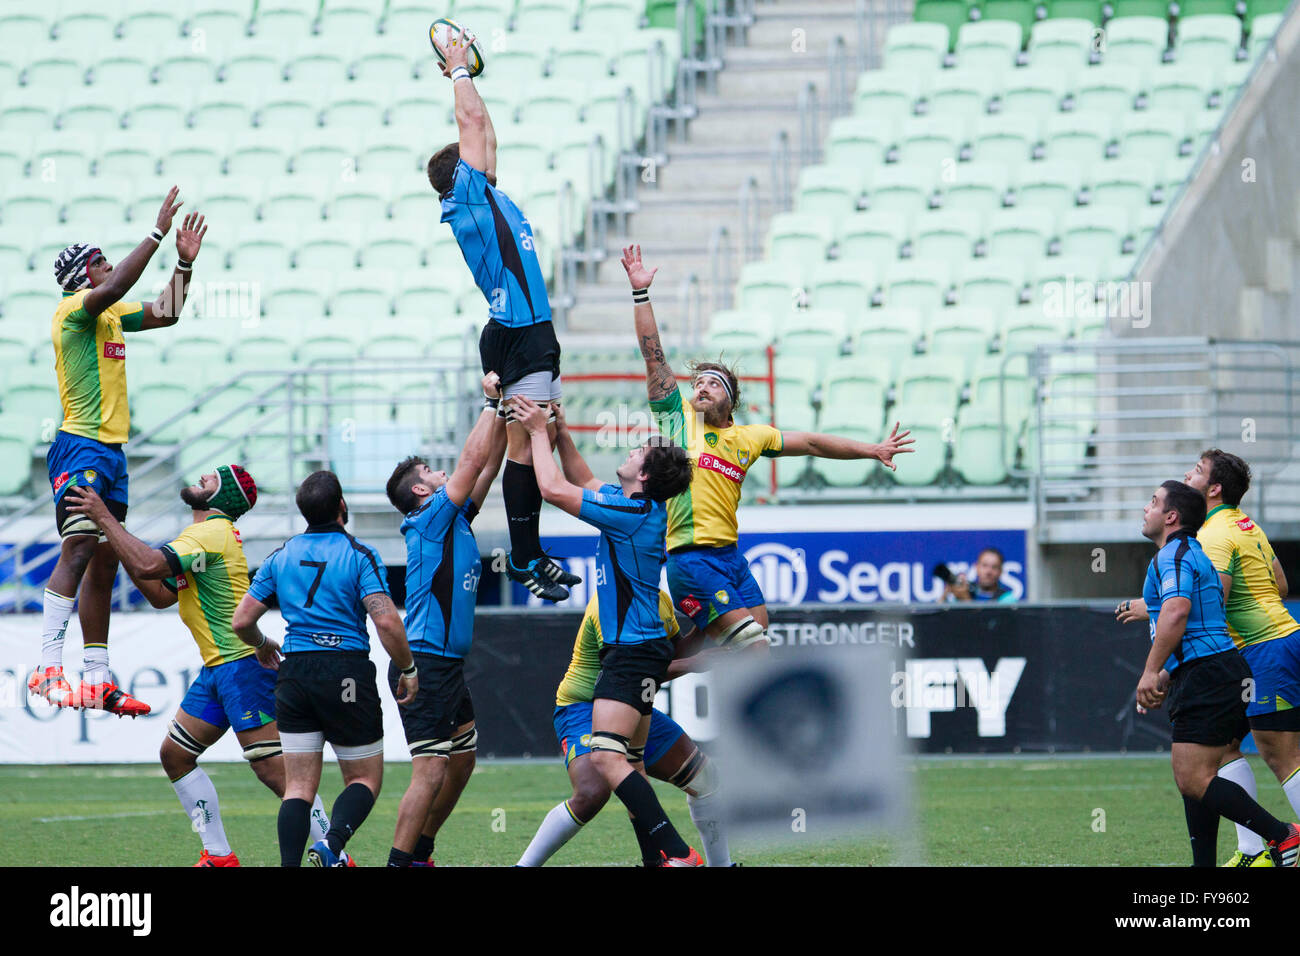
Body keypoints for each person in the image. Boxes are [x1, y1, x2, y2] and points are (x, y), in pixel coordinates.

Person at [621, 245, 914, 648]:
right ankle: (647, 672)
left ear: (730, 402)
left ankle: (654, 671)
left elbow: (811, 442)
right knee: (754, 646)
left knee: (751, 629)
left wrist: (872, 450)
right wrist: (641, 294)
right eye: (698, 383)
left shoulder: (749, 437)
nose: (701, 387)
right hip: (691, 558)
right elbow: (653, 356)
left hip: (730, 557)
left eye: (713, 383)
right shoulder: (678, 419)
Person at [63, 465, 335, 866]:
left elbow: (149, 566)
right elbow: (160, 594)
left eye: (212, 478)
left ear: (222, 497)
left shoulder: (209, 534)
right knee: (175, 755)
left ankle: (336, 853)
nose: (202, 477)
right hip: (218, 669)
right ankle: (219, 855)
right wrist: (117, 542)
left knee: (278, 774)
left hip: (241, 666)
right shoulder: (204, 537)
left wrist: (105, 518)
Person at [30, 191, 206, 717]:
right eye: (100, 261)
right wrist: (155, 234)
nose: (109, 265)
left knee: (105, 563)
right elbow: (122, 283)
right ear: (83, 277)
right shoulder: (73, 312)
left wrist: (183, 264)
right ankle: (46, 666)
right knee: (79, 551)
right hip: (79, 445)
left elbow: (166, 314)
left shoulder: (107, 317)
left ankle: (97, 679)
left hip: (112, 453)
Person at [512, 392, 702, 865]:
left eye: (639, 452)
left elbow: (555, 490)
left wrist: (537, 433)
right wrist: (560, 432)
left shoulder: (631, 515)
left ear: (643, 476)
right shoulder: (631, 506)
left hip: (631, 651)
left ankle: (677, 853)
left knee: (606, 760)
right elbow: (579, 477)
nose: (631, 450)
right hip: (640, 650)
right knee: (630, 762)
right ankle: (659, 860)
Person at [426, 24, 577, 604]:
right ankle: (525, 554)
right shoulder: (466, 197)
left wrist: (470, 83)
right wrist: (459, 69)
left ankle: (516, 544)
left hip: (527, 332)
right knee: (524, 445)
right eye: (473, 161)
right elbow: (470, 127)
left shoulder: (488, 194)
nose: (483, 154)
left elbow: (482, 129)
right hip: (518, 334)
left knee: (541, 433)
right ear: (461, 177)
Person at [1118, 450, 1300, 866]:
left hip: (1247, 653)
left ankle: (1280, 837)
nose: (1188, 473)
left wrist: (1155, 668)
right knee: (1216, 760)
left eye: (1196, 471)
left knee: (1264, 758)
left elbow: (1189, 605)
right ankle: (1245, 854)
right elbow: (1277, 585)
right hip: (1247, 655)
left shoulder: (1199, 542)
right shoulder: (1237, 528)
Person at [232, 471, 418, 867]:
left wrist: (264, 645)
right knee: (364, 778)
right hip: (346, 671)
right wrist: (408, 667)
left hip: (295, 673)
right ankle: (331, 845)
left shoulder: (281, 556)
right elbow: (385, 621)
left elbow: (241, 621)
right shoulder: (359, 555)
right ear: (342, 507)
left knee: (297, 786)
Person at [381, 373, 507, 867]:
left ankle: (421, 851)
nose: (440, 473)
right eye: (431, 471)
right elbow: (472, 461)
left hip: (446, 664)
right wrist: (489, 402)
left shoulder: (451, 519)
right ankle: (399, 862)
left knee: (462, 759)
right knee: (430, 769)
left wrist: (510, 423)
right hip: (424, 662)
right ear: (420, 488)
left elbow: (488, 467)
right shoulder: (429, 517)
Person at [517, 589, 733, 867]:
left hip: (630, 703)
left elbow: (671, 653)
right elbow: (630, 671)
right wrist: (695, 664)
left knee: (705, 780)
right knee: (591, 792)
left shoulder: (660, 599)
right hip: (584, 705)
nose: (658, 553)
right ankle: (523, 866)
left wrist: (704, 625)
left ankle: (721, 865)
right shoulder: (608, 605)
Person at [946, 548, 1016, 603]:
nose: (988, 572)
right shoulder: (966, 591)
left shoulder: (1007, 599)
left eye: (994, 567)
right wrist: (946, 594)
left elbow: (984, 621)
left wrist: (966, 600)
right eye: (984, 565)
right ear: (976, 567)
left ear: (1001, 571)